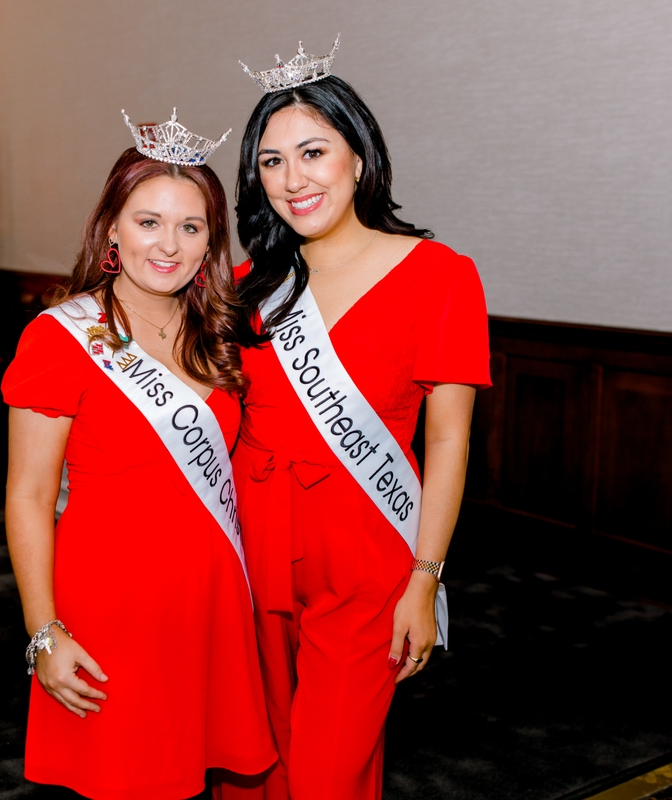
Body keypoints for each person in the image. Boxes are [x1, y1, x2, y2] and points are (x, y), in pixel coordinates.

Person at [217, 39, 492, 799]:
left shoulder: (439, 276)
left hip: (367, 553)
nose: (293, 179)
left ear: (359, 158)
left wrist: (425, 580)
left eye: (313, 152)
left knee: (328, 774)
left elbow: (449, 438)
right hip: (251, 544)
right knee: (254, 761)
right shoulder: (249, 286)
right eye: (271, 162)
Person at [1, 110, 276, 800]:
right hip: (112, 603)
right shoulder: (61, 337)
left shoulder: (220, 334)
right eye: (149, 221)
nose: (169, 245)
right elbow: (28, 497)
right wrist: (43, 631)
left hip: (208, 599)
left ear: (210, 240)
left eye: (191, 227)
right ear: (113, 230)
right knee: (126, 781)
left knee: (193, 778)